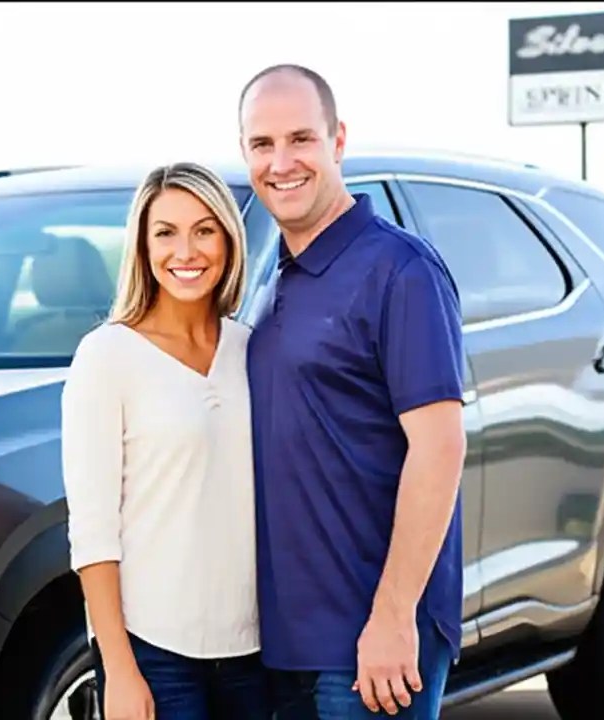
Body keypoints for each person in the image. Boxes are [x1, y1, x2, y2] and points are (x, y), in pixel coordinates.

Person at [238, 64, 467, 719]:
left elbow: (439, 448)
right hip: (284, 644)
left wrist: (394, 616)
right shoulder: (269, 281)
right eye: (261, 144)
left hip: (373, 639)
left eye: (300, 139)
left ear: (338, 141)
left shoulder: (400, 269)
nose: (281, 162)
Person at [61, 161, 269, 720]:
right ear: (142, 246)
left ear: (228, 239)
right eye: (166, 233)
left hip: (256, 652)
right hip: (154, 653)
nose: (187, 251)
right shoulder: (107, 356)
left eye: (204, 230)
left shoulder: (253, 350)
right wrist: (120, 669)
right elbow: (93, 532)